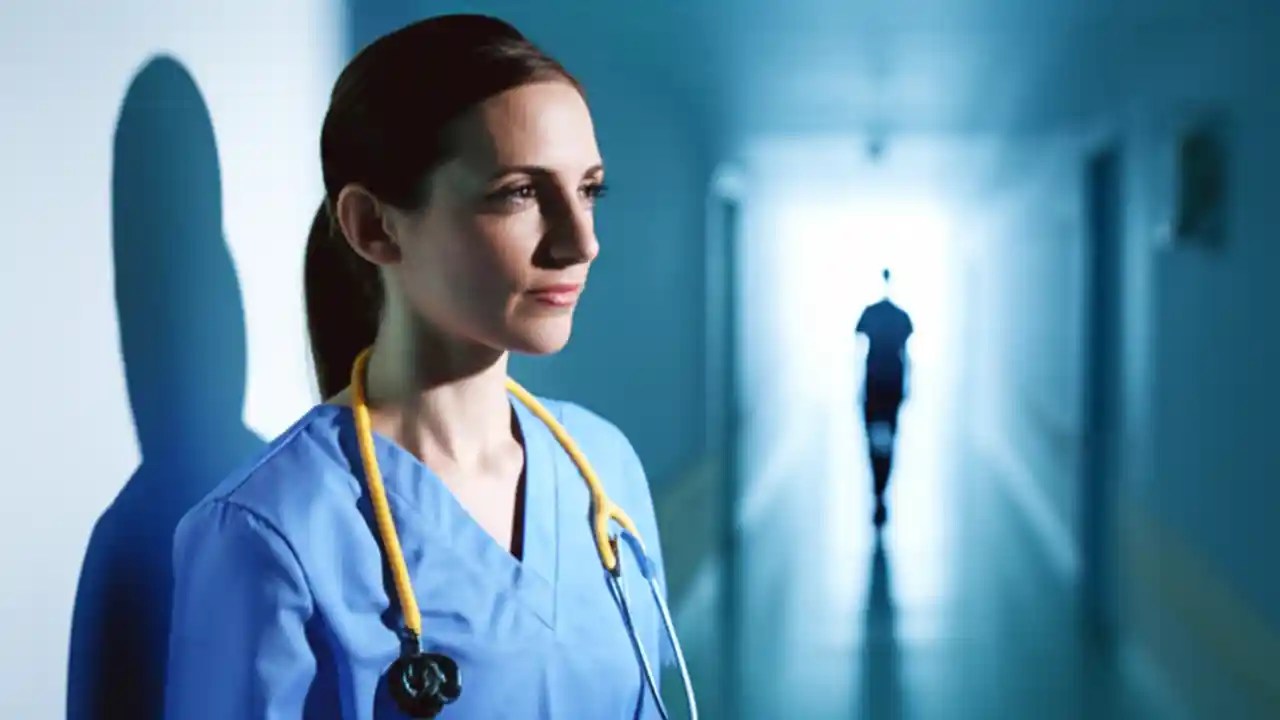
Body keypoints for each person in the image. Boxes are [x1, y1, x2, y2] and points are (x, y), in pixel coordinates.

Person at [163, 15, 675, 719]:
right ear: (374, 226)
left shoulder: (605, 470)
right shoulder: (268, 533)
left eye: (589, 190)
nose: (580, 242)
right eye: (520, 192)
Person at [855, 268, 913, 527]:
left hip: (875, 385)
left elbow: (857, 347)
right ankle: (882, 488)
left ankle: (877, 489)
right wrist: (907, 386)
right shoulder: (901, 317)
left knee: (874, 439)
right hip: (892, 384)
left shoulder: (871, 314)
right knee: (889, 438)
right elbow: (906, 352)